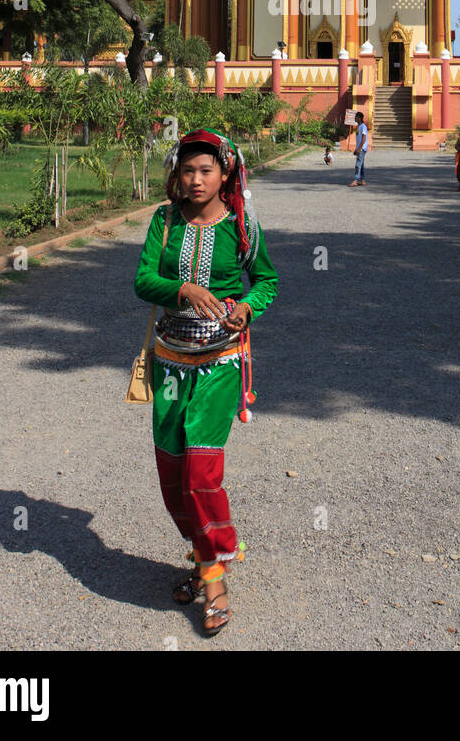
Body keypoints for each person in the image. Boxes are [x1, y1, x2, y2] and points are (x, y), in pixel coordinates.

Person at [134, 129, 278, 635]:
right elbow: (142, 280)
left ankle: (214, 574)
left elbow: (267, 281)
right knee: (171, 474)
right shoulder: (165, 221)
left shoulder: (241, 226)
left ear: (226, 175)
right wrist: (184, 288)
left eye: (206, 171)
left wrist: (245, 307)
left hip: (221, 363)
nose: (194, 180)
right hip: (170, 363)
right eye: (187, 171)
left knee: (200, 469)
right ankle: (202, 554)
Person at [349, 112, 369, 187]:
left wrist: (359, 149)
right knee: (361, 164)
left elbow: (364, 138)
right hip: (360, 148)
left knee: (358, 164)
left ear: (360, 118)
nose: (355, 118)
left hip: (362, 148)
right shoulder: (359, 126)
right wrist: (356, 149)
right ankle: (362, 180)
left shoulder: (363, 126)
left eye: (356, 117)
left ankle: (355, 180)